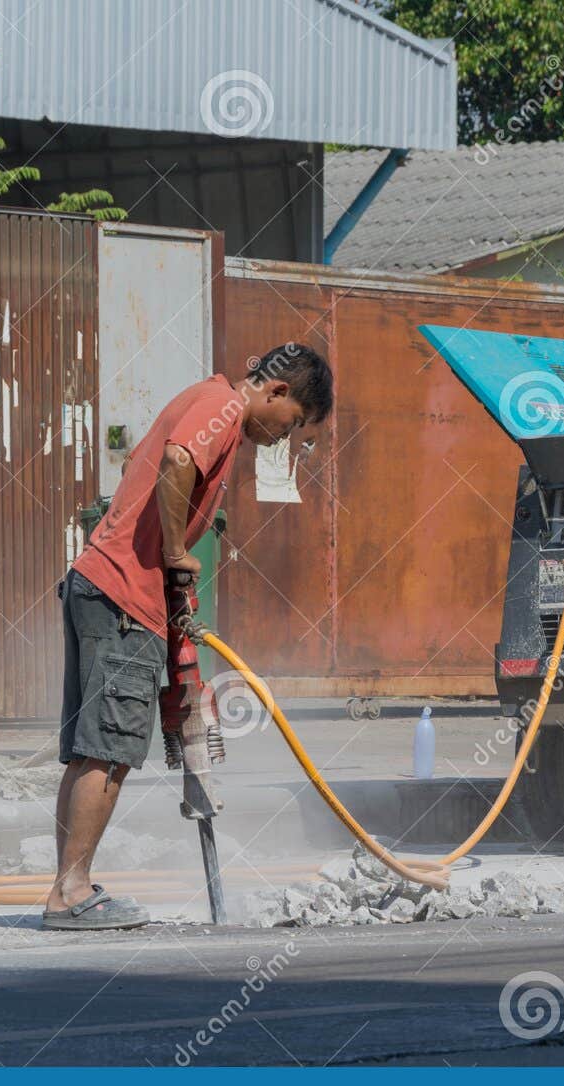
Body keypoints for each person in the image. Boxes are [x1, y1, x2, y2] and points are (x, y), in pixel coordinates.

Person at [44, 344, 334, 930]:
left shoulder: (201, 396)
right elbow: (177, 461)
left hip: (102, 585)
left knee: (89, 748)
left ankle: (68, 885)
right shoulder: (224, 408)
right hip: (125, 596)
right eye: (296, 421)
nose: (288, 437)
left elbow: (136, 472)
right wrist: (174, 553)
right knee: (109, 748)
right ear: (276, 392)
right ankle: (70, 893)